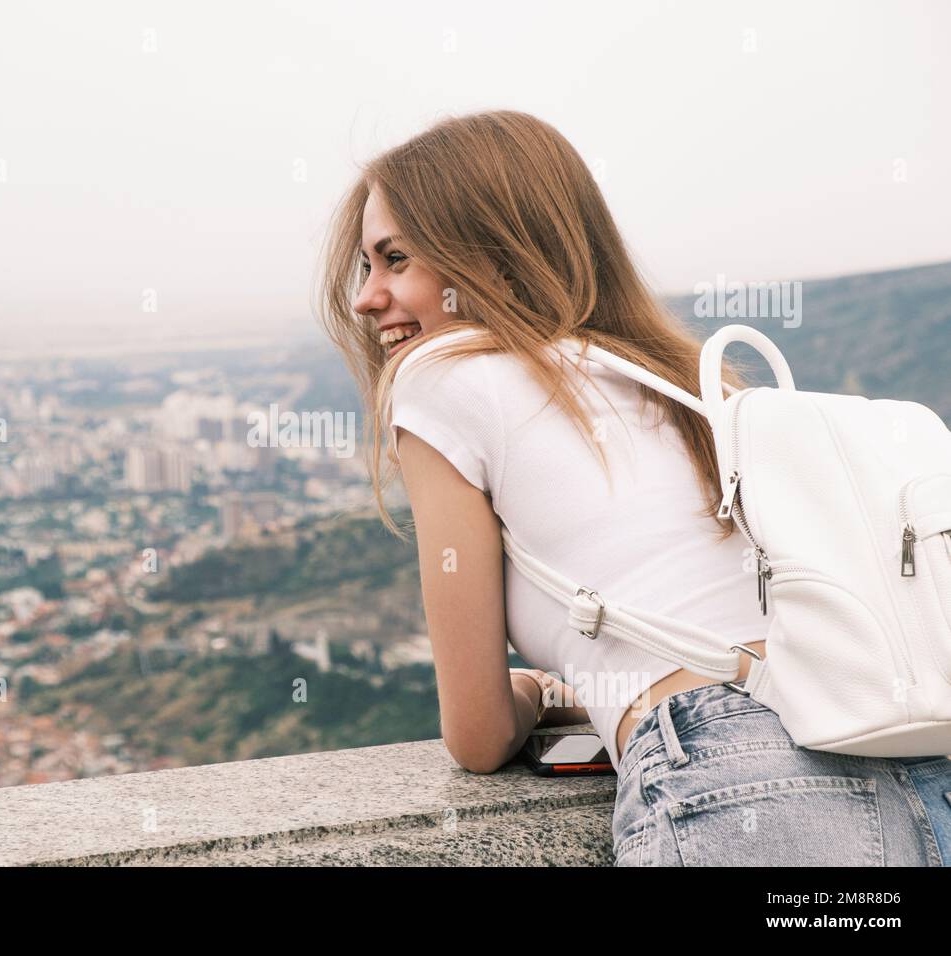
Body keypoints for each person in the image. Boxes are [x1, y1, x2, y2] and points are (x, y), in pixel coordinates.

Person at [316, 109, 951, 866]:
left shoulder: (441, 378)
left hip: (742, 780)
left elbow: (477, 735)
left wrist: (534, 692)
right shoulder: (684, 381)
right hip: (911, 759)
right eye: (366, 266)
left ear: (486, 252)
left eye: (396, 260)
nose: (366, 297)